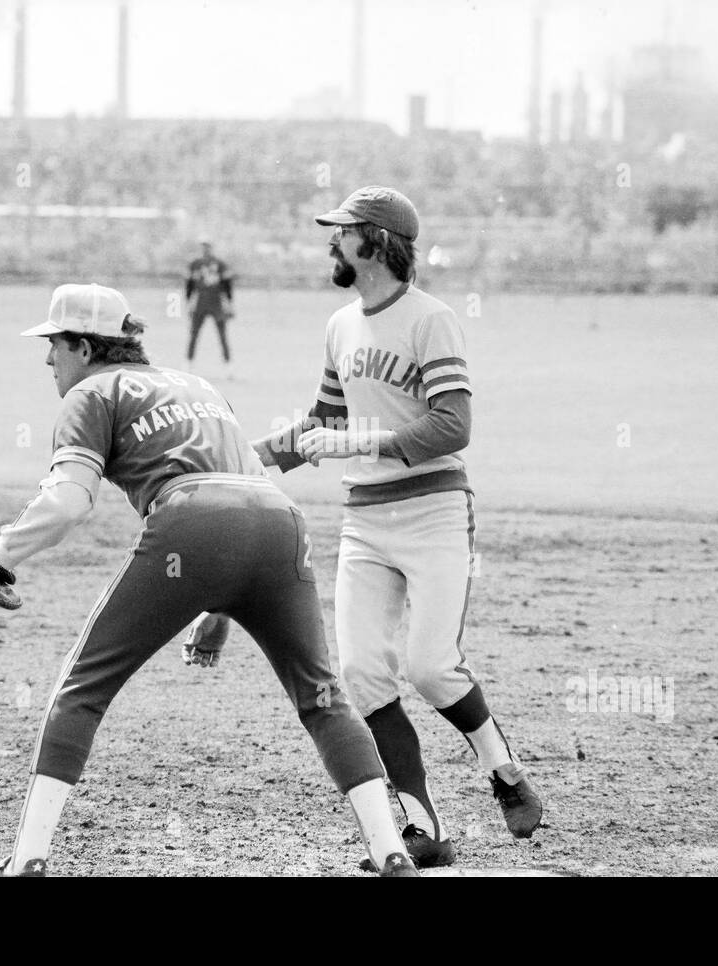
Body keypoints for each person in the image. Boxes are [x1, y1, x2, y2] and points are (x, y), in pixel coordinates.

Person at [0, 282, 416, 877]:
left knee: (81, 688)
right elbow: (246, 490)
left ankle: (28, 858)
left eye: (56, 344)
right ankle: (392, 852)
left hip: (190, 522)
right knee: (324, 698)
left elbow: (70, 502)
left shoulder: (91, 393)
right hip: (281, 525)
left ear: (87, 347)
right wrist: (220, 609)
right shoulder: (195, 385)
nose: (49, 359)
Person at [247, 186, 543, 869]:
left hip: (433, 512)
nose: (331, 244)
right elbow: (323, 423)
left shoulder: (431, 319)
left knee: (431, 666)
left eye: (342, 233)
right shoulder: (340, 324)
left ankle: (505, 772)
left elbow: (452, 426)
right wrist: (248, 455)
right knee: (363, 672)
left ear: (376, 243)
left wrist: (360, 444)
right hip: (365, 521)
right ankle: (422, 828)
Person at [184, 242, 234, 378]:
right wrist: (188, 302)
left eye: (207, 246)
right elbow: (189, 285)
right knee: (194, 335)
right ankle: (188, 366)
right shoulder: (195, 263)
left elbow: (227, 285)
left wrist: (229, 303)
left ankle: (228, 368)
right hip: (200, 302)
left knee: (222, 336)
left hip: (216, 302)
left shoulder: (219, 264)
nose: (205, 249)